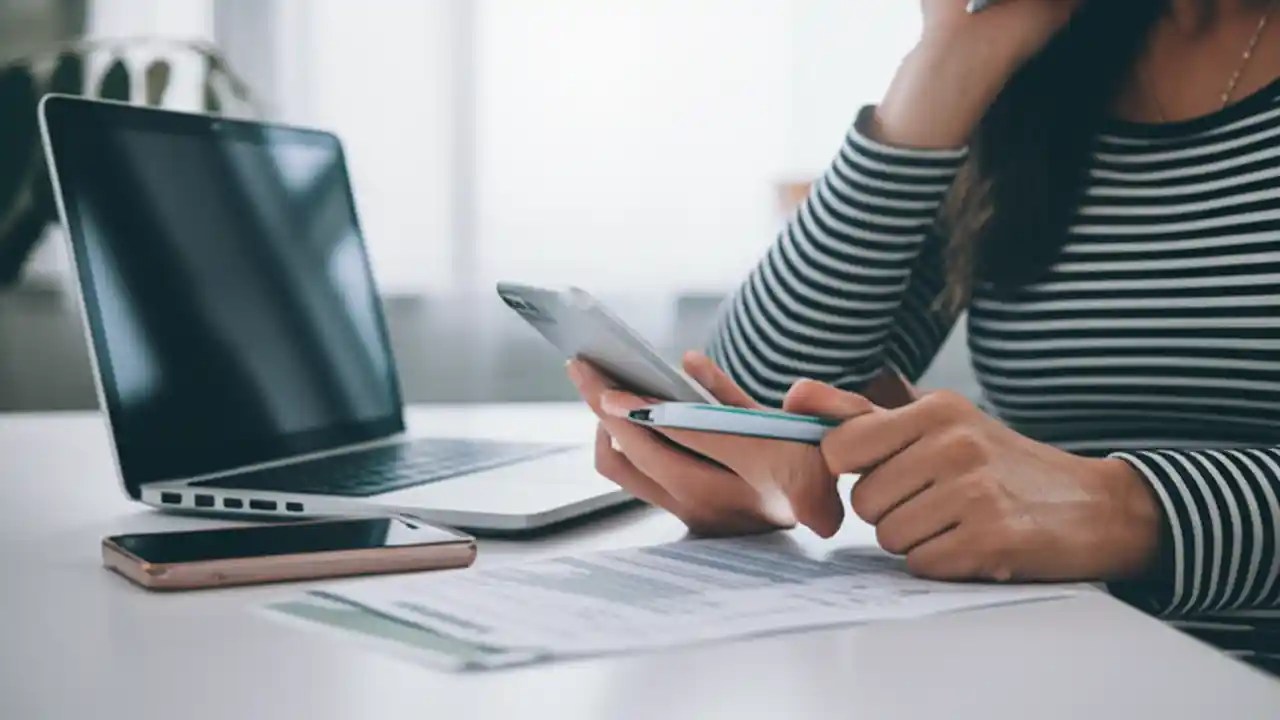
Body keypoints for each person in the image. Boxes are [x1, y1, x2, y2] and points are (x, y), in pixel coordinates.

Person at [568, 0, 1280, 672]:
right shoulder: (1054, 67)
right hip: (1056, 665)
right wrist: (944, 66)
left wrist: (1130, 509)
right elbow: (751, 400)